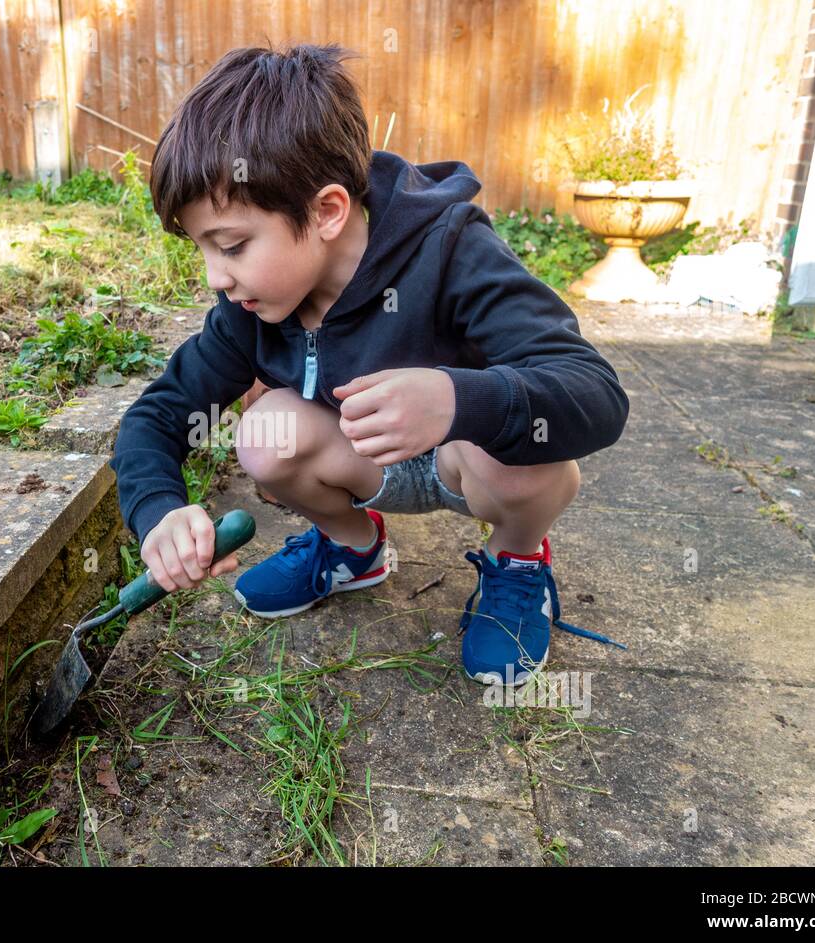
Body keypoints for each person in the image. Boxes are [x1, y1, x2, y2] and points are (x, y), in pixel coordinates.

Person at [109, 43, 630, 687]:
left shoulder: (452, 250)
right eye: (204, 250)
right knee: (265, 433)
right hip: (359, 460)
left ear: (327, 211)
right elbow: (159, 415)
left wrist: (455, 399)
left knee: (528, 459)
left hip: (466, 460)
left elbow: (595, 392)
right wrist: (160, 510)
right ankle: (353, 547)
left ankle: (517, 560)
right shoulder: (249, 306)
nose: (218, 278)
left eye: (234, 246)